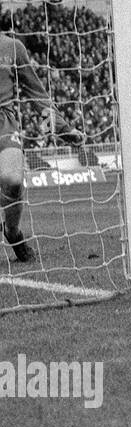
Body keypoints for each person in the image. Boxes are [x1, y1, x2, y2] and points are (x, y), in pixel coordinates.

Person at [0, 32, 84, 261]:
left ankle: (12, 232)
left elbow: (35, 93)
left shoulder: (12, 47)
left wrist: (63, 129)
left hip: (3, 122)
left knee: (13, 181)